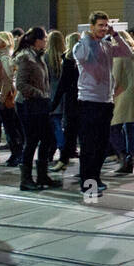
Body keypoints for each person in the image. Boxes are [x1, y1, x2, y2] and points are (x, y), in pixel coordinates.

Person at [73, 12, 134, 200]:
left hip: (105, 101)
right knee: (89, 146)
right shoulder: (82, 45)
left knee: (101, 145)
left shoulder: (107, 45)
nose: (103, 28)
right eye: (100, 25)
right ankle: (88, 186)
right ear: (91, 26)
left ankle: (96, 178)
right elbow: (83, 56)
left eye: (105, 25)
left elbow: (128, 52)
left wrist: (116, 34)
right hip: (88, 101)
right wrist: (87, 37)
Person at [14, 27, 60, 191]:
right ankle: (25, 179)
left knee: (47, 138)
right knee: (32, 141)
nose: (46, 41)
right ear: (37, 40)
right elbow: (20, 84)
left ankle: (42, 175)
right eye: (45, 38)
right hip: (28, 105)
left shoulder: (37, 57)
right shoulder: (27, 58)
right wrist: (39, 93)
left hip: (40, 105)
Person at [109, 30, 134, 177]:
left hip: (121, 96)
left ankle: (123, 156)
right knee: (131, 128)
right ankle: (131, 157)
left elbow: (115, 79)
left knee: (113, 128)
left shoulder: (119, 57)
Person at [0, 32, 24, 169]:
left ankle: (16, 154)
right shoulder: (4, 56)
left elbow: (9, 78)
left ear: (4, 42)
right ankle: (6, 151)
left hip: (4, 99)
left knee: (9, 127)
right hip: (2, 97)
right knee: (3, 124)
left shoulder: (4, 57)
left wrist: (2, 98)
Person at [49, 33, 80, 172]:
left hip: (71, 100)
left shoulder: (67, 60)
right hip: (83, 99)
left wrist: (54, 103)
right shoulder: (83, 59)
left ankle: (64, 159)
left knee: (69, 130)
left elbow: (63, 84)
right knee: (80, 132)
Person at [44, 30, 68, 165]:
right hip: (63, 95)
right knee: (59, 123)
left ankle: (60, 149)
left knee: (55, 124)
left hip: (51, 95)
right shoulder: (65, 56)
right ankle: (62, 149)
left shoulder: (46, 57)